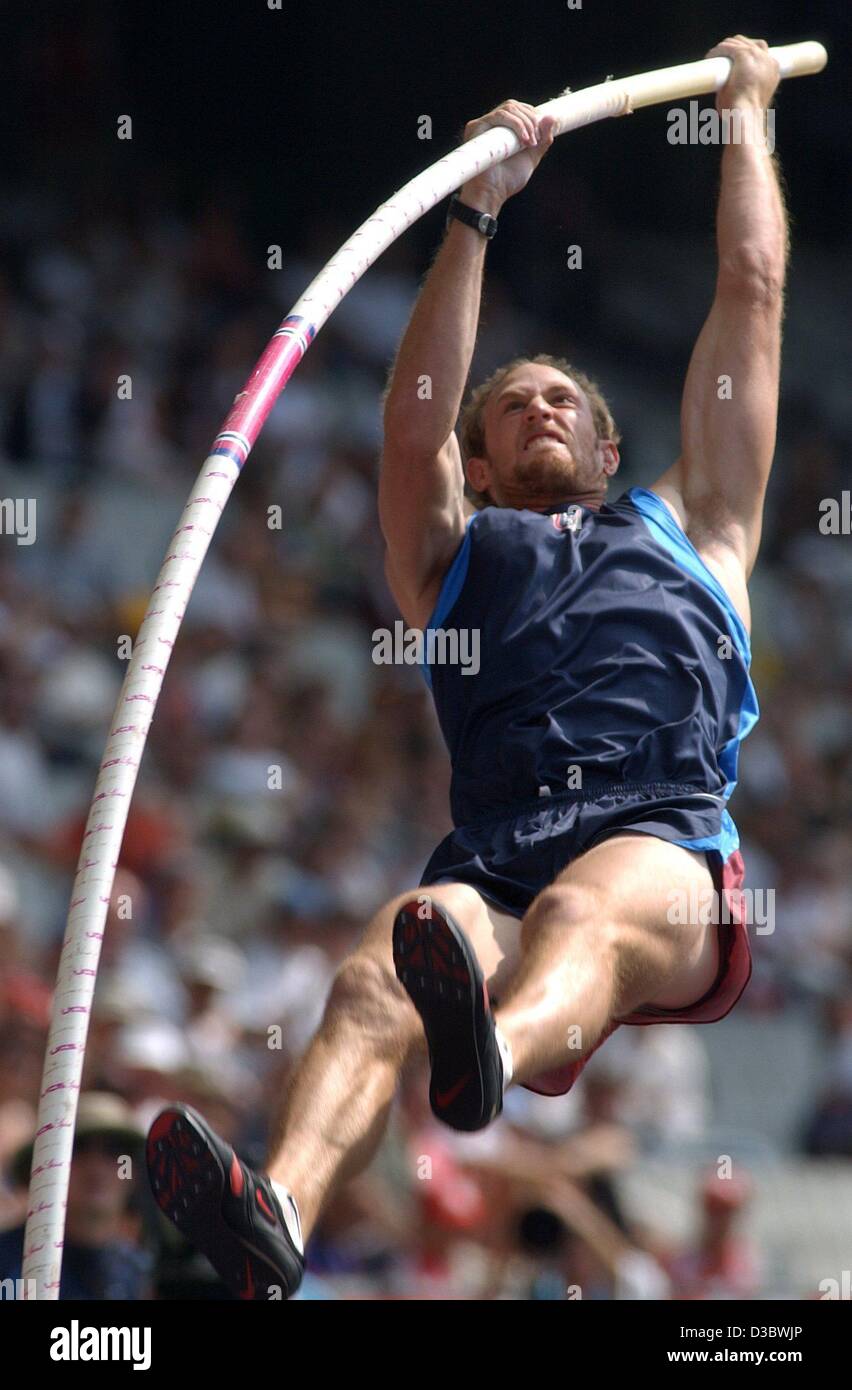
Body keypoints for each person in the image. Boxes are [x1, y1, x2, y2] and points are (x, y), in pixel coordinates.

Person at [147, 36, 786, 1300]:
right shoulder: (452, 557)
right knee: (383, 964)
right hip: (495, 858)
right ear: (480, 464)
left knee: (578, 917)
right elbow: (411, 417)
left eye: (563, 400)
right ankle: (276, 1214)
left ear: (609, 449)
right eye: (513, 406)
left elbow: (754, 284)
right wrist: (475, 215)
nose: (540, 407)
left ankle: (484, 1047)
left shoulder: (699, 521)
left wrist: (747, 111)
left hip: (658, 845)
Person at [1, 1092, 153, 1299]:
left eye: (115, 1153)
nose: (97, 1170)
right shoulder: (6, 1264)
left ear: (133, 1175)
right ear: (39, 1170)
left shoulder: (141, 1274)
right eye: (76, 1149)